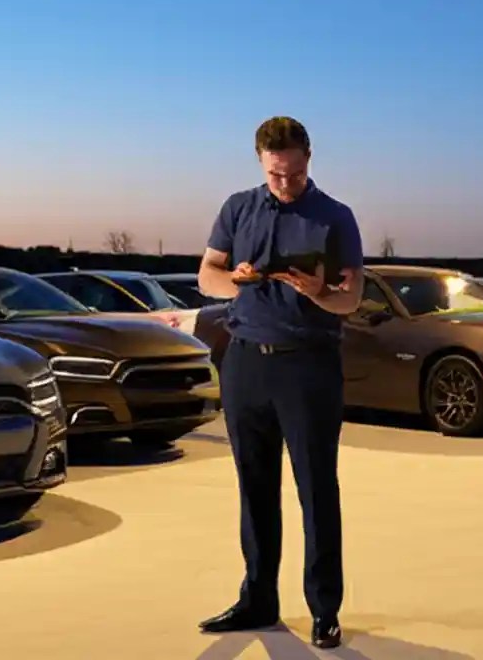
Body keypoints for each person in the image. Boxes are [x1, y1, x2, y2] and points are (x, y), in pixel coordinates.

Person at [196, 116, 364, 649]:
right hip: (245, 362)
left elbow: (351, 298)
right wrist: (236, 280)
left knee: (316, 487)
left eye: (293, 173)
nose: (285, 183)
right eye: (275, 175)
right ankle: (258, 599)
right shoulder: (238, 208)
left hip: (308, 364)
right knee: (255, 487)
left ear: (308, 158)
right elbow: (207, 274)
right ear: (260, 163)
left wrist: (318, 291)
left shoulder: (335, 217)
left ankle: (324, 609)